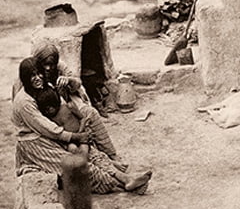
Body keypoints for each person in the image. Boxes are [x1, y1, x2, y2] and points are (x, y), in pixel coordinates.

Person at [11, 59, 151, 194]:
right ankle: (122, 184)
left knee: (93, 153)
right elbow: (46, 128)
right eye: (32, 76)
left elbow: (64, 106)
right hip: (36, 143)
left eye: (38, 73)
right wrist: (77, 136)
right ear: (25, 78)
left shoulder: (45, 87)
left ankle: (126, 178)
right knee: (77, 165)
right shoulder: (24, 102)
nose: (37, 78)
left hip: (56, 134)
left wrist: (78, 126)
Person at [28, 39, 126, 166]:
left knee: (90, 113)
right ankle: (99, 163)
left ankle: (111, 155)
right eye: (44, 64)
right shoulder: (30, 72)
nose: (48, 68)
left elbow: (77, 83)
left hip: (64, 105)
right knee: (75, 141)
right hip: (46, 112)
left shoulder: (59, 67)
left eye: (51, 64)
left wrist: (68, 80)